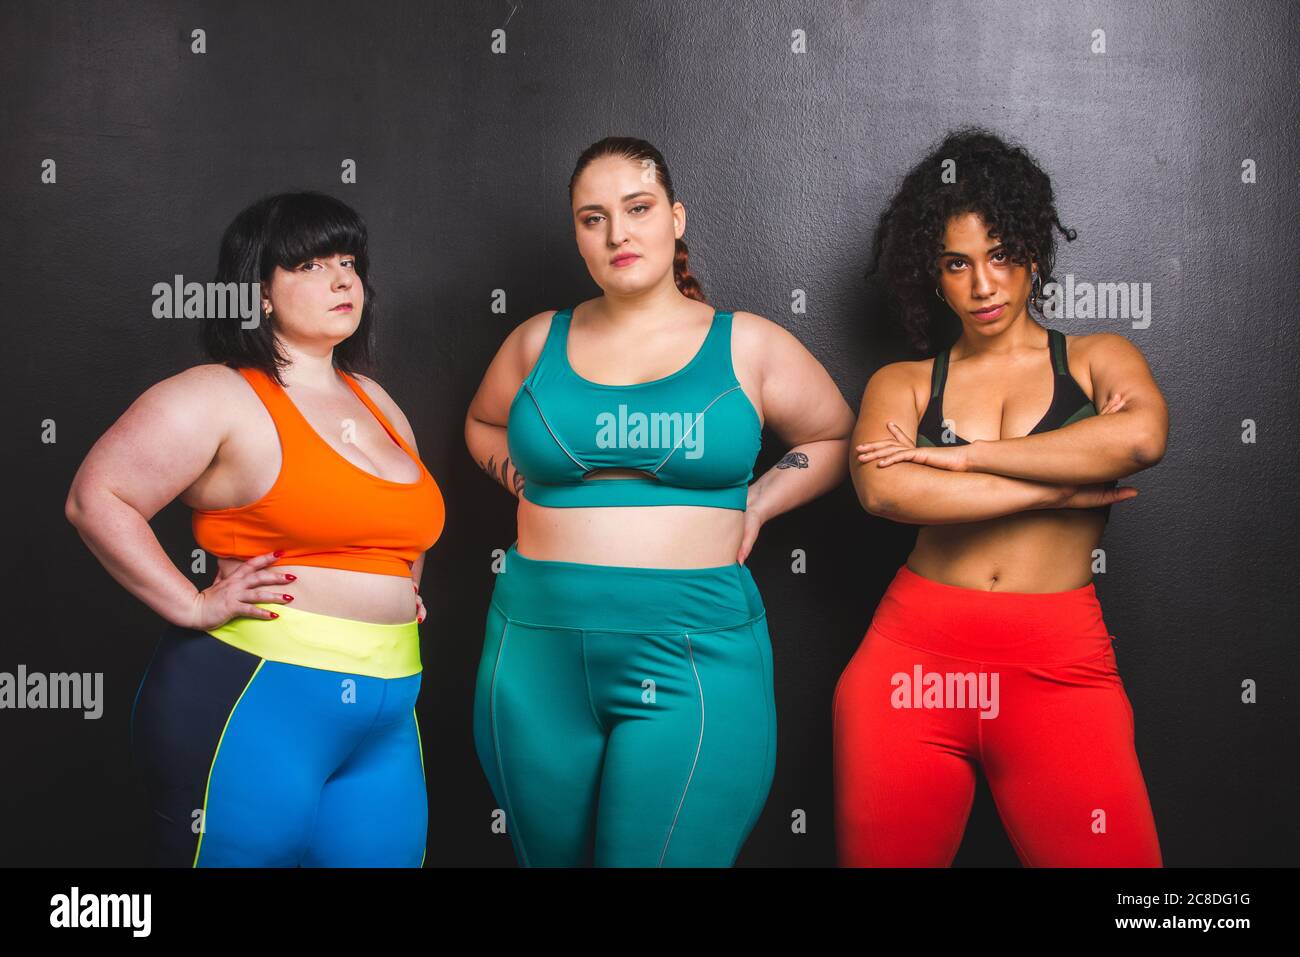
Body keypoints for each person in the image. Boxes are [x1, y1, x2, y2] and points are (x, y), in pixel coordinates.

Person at [464, 136, 855, 866]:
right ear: (577, 234)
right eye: (592, 217)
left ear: (675, 218)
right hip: (533, 649)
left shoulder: (748, 344)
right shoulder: (534, 342)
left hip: (690, 652)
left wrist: (761, 501)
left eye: (637, 208)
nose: (617, 233)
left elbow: (834, 436)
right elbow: (483, 423)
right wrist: (522, 482)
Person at [65, 192, 445, 866]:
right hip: (258, 699)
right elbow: (98, 497)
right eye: (310, 264)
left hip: (386, 715)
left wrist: (397, 587)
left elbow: (401, 530)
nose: (341, 280)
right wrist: (190, 601)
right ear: (260, 292)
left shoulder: (375, 401)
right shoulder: (218, 394)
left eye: (350, 263)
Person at [834, 129, 1167, 866]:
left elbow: (1141, 438)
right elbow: (885, 491)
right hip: (910, 663)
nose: (983, 285)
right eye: (958, 263)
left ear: (1033, 254)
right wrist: (1055, 487)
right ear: (935, 273)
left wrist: (968, 458)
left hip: (1059, 669)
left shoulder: (1097, 358)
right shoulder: (906, 381)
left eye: (1000, 256)